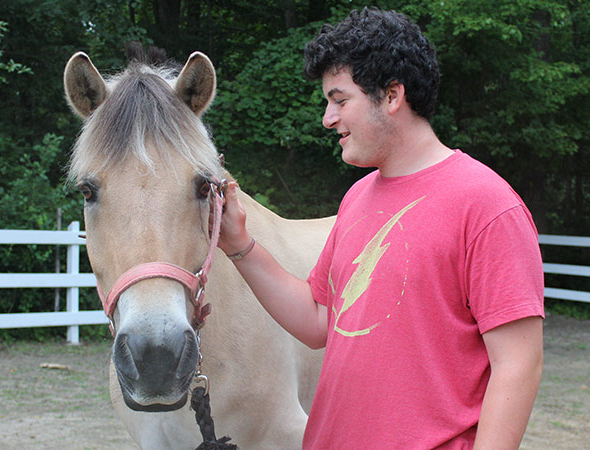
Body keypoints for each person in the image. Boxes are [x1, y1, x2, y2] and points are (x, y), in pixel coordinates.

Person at [217, 7, 544, 449]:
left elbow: (518, 364)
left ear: (392, 96)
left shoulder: (488, 206)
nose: (327, 119)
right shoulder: (358, 197)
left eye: (339, 100)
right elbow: (320, 322)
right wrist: (239, 244)